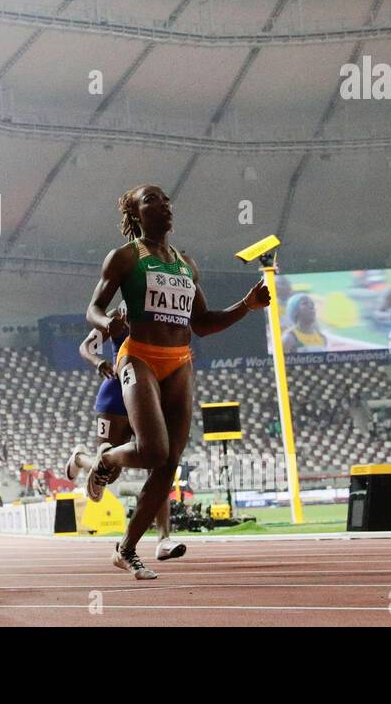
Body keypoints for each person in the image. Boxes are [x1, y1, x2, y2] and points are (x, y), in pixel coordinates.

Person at [78, 186, 268, 579]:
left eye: (165, 199)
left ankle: (127, 548)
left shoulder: (186, 264)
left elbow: (202, 323)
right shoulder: (126, 257)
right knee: (152, 451)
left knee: (169, 464)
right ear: (135, 213)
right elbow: (94, 308)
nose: (163, 204)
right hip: (139, 356)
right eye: (151, 200)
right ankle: (108, 457)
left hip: (179, 361)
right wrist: (106, 323)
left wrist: (246, 307)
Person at [65, 304, 184, 562]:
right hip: (117, 396)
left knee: (159, 466)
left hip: (151, 393)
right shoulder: (117, 316)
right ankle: (81, 458)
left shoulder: (160, 312)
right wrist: (98, 362)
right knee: (109, 473)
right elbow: (85, 346)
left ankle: (164, 539)